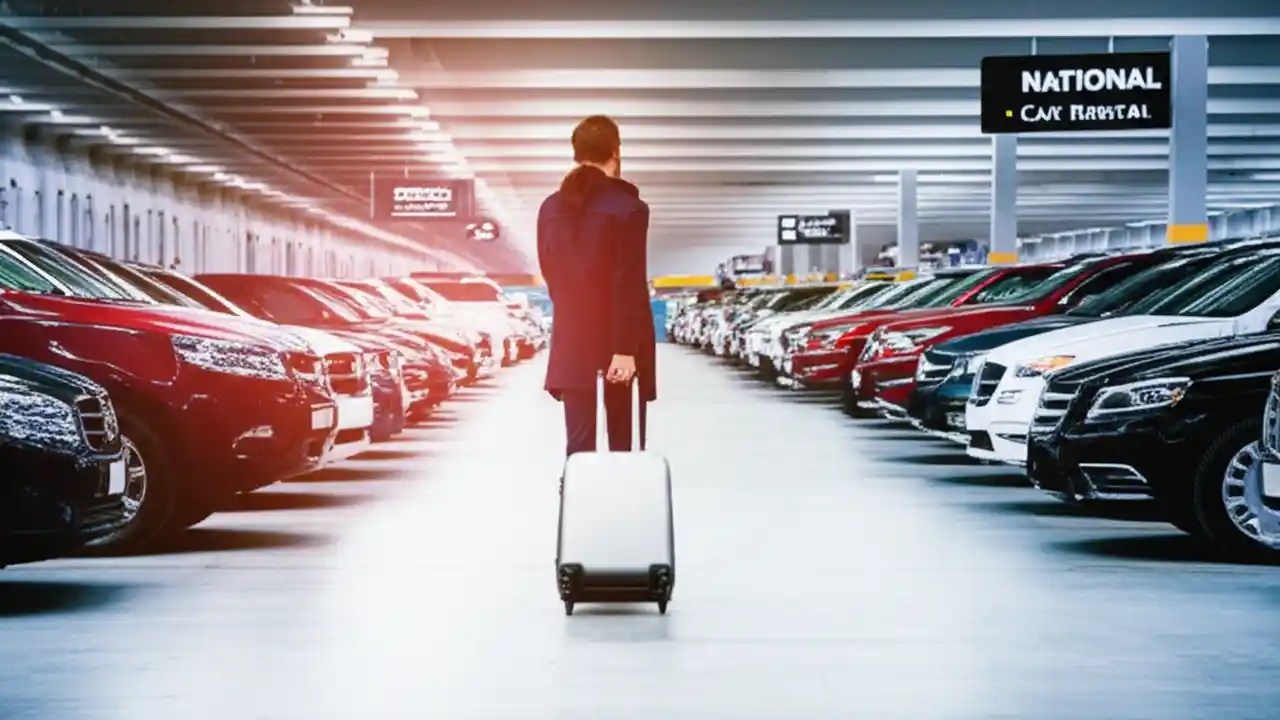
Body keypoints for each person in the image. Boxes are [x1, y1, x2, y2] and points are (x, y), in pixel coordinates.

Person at [537, 115, 656, 457]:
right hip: (619, 339)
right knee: (622, 442)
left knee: (577, 444)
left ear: (576, 153)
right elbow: (627, 283)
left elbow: (552, 275)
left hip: (572, 338)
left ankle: (577, 502)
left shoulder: (550, 208)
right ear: (616, 152)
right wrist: (625, 349)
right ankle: (619, 504)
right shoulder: (629, 208)